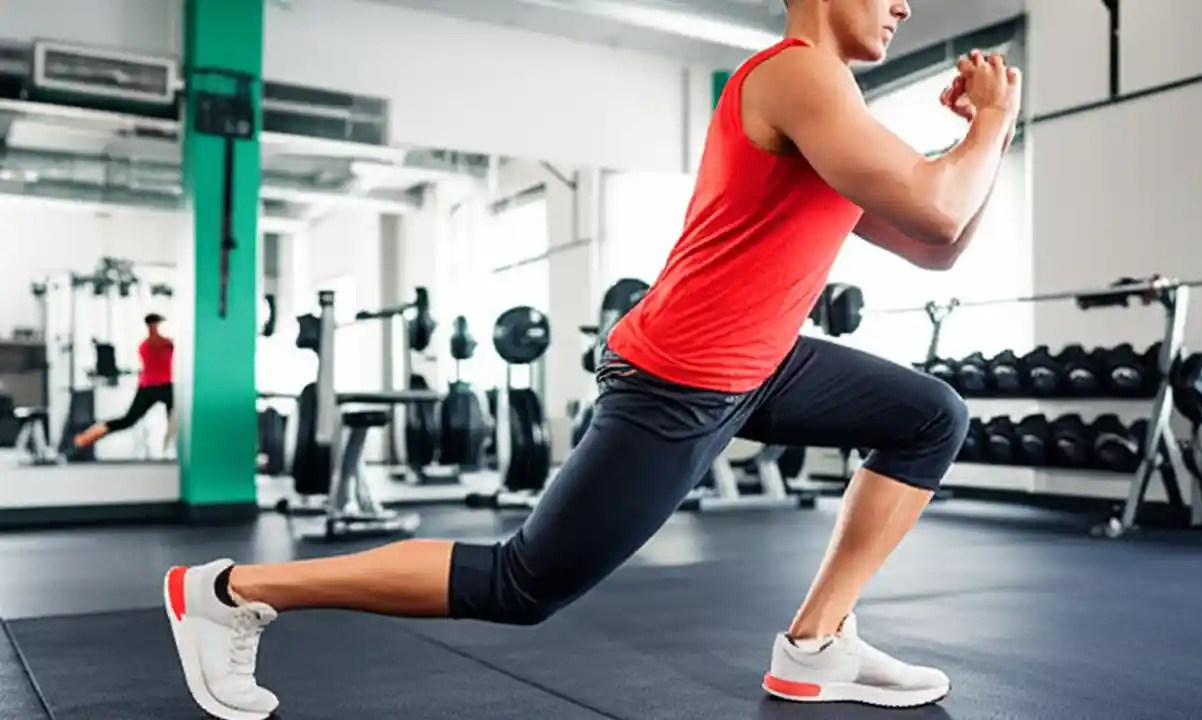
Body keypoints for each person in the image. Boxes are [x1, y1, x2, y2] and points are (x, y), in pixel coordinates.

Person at [161, 1, 1021, 717]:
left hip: (757, 359)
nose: (907, 3)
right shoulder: (799, 73)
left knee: (928, 414)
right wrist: (992, 121)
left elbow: (935, 245)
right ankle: (229, 591)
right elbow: (938, 211)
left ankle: (818, 643)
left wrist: (987, 141)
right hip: (682, 372)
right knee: (522, 584)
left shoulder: (838, 112)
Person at [74, 313, 176, 452]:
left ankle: (169, 449)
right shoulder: (156, 344)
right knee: (128, 420)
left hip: (158, 386)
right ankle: (86, 437)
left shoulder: (151, 345)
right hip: (153, 386)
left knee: (171, 419)